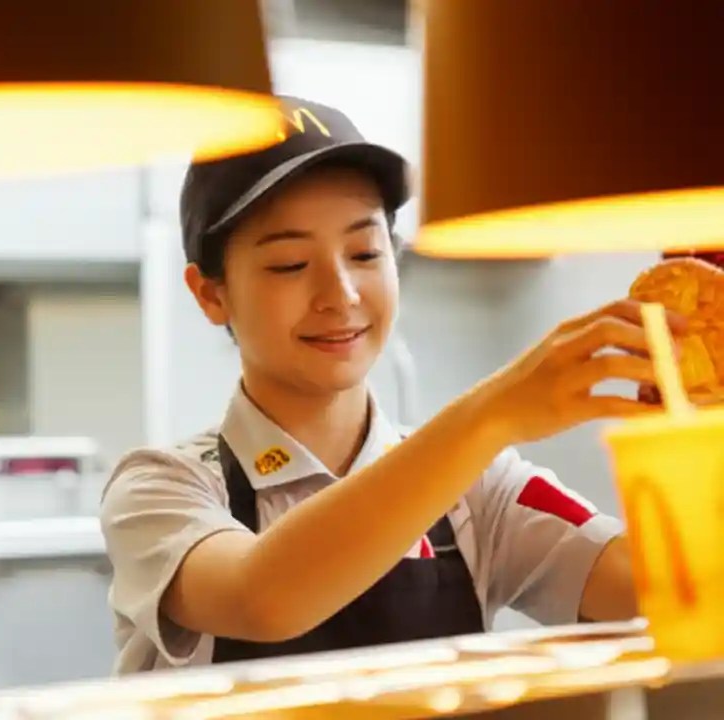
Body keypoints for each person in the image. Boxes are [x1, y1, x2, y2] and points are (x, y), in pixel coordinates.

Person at [99, 96, 686, 674]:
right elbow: (263, 596)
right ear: (210, 293)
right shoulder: (161, 490)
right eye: (290, 265)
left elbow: (670, 595)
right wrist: (493, 413)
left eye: (364, 252)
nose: (342, 294)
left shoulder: (481, 490)